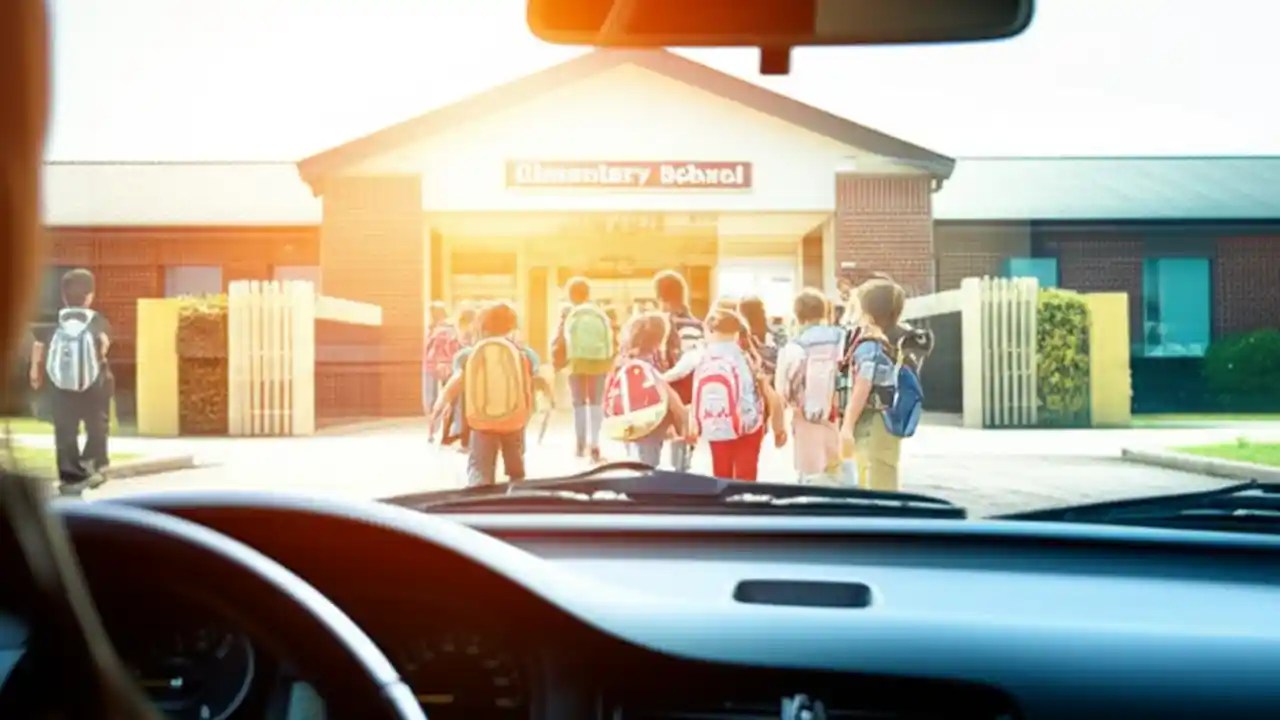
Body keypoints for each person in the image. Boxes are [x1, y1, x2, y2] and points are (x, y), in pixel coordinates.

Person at [430, 301, 553, 487]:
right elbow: (539, 379)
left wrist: (441, 404)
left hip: (482, 421)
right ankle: (517, 486)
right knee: (515, 463)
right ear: (512, 327)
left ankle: (480, 490)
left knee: (479, 466)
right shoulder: (524, 354)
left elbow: (456, 381)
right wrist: (548, 400)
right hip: (514, 419)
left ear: (481, 327)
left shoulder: (469, 354)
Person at [669, 308, 786, 481]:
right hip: (749, 423)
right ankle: (745, 497)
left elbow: (671, 375)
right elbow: (766, 390)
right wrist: (779, 426)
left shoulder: (700, 355)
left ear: (710, 330)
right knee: (746, 475)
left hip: (716, 421)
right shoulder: (747, 355)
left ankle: (725, 497)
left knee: (721, 472)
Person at [28, 268, 114, 494]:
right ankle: (93, 462)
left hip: (60, 385)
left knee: (65, 430)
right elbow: (104, 346)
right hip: (94, 384)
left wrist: (35, 374)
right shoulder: (97, 320)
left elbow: (39, 346)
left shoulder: (55, 321)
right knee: (97, 425)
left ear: (63, 295)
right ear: (90, 295)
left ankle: (70, 476)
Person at [840, 278, 909, 492]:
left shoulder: (869, 344)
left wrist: (847, 425)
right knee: (886, 473)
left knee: (869, 478)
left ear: (867, 311)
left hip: (869, 419)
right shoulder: (896, 340)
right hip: (892, 417)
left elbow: (864, 383)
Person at [775, 288, 846, 485]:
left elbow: (782, 388)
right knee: (837, 469)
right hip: (838, 414)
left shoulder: (795, 346)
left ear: (797, 315)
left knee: (810, 473)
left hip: (805, 415)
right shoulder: (842, 338)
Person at [604, 312, 692, 467]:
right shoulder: (653, 362)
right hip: (651, 421)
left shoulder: (622, 361)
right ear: (660, 339)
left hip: (627, 419)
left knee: (634, 457)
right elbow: (667, 393)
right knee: (648, 464)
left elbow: (609, 389)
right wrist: (682, 419)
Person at [551, 277, 615, 462]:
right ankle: (595, 444)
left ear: (570, 295)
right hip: (599, 361)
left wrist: (557, 363)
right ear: (588, 293)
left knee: (579, 402)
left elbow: (559, 340)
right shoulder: (599, 313)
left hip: (576, 361)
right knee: (596, 402)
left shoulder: (569, 313)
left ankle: (580, 444)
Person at [651, 270, 705, 472]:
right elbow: (693, 359)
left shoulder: (656, 323)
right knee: (681, 445)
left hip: (661, 388)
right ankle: (680, 474)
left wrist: (661, 378)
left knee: (653, 439)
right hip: (685, 390)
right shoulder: (694, 323)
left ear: (659, 295)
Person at [440, 302, 479, 450]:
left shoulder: (456, 333)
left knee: (454, 404)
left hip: (455, 373)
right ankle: (462, 437)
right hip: (464, 374)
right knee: (461, 406)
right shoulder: (469, 333)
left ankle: (452, 435)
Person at [421, 301, 458, 434]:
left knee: (434, 399)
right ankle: (440, 429)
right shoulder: (444, 329)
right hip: (442, 366)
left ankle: (438, 429)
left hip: (436, 367)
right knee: (444, 398)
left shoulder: (442, 330)